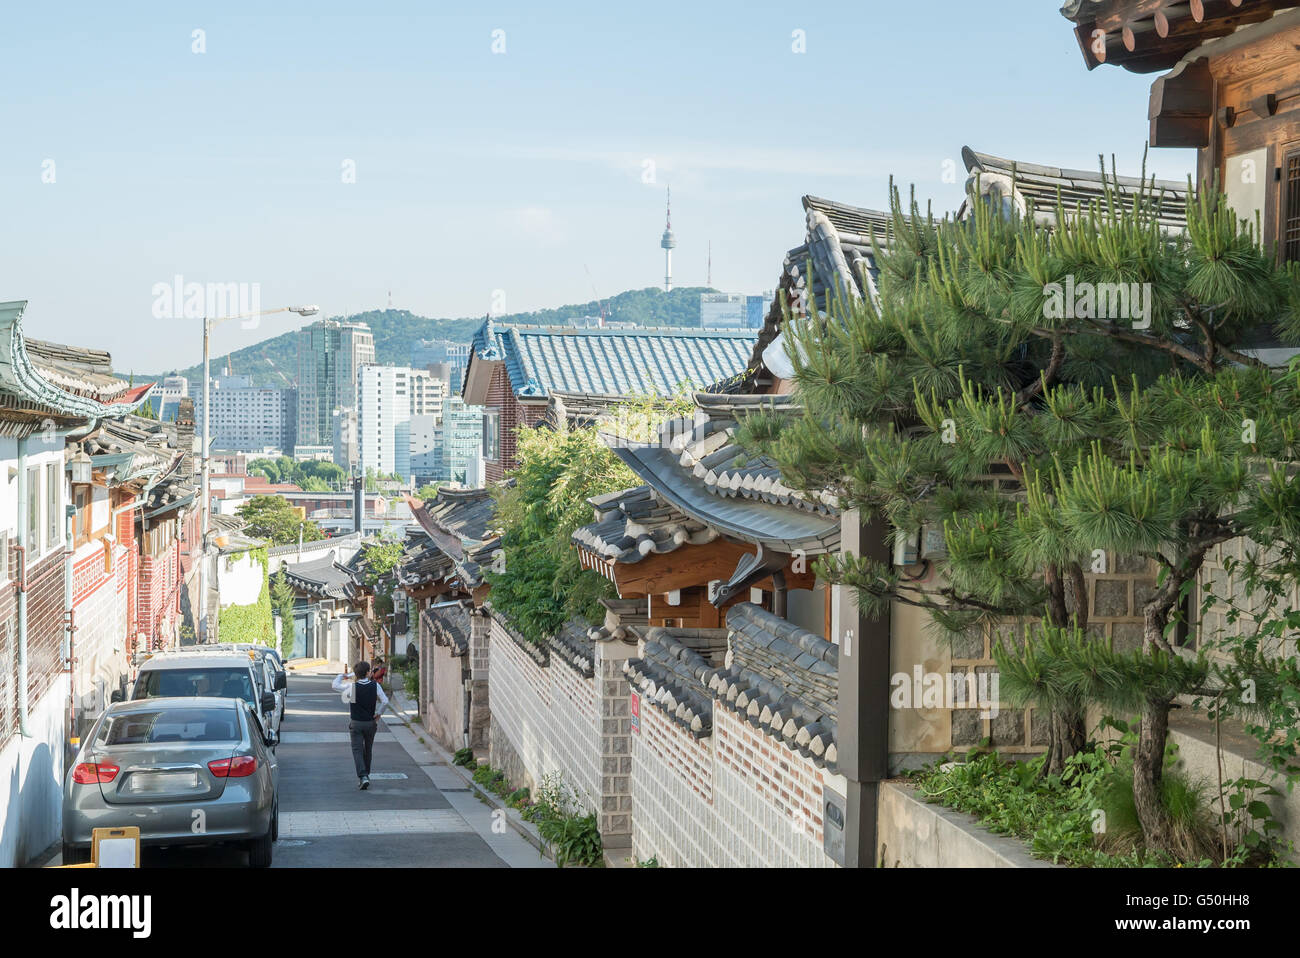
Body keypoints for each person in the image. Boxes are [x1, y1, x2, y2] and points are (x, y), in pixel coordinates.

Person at [331, 660, 389, 789]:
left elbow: (335, 685)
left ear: (356, 674)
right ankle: (366, 775)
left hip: (356, 723)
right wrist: (379, 713)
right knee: (368, 749)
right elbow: (385, 701)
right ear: (368, 672)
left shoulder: (352, 687)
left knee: (357, 750)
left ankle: (363, 776)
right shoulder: (375, 686)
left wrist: (343, 676)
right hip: (370, 722)